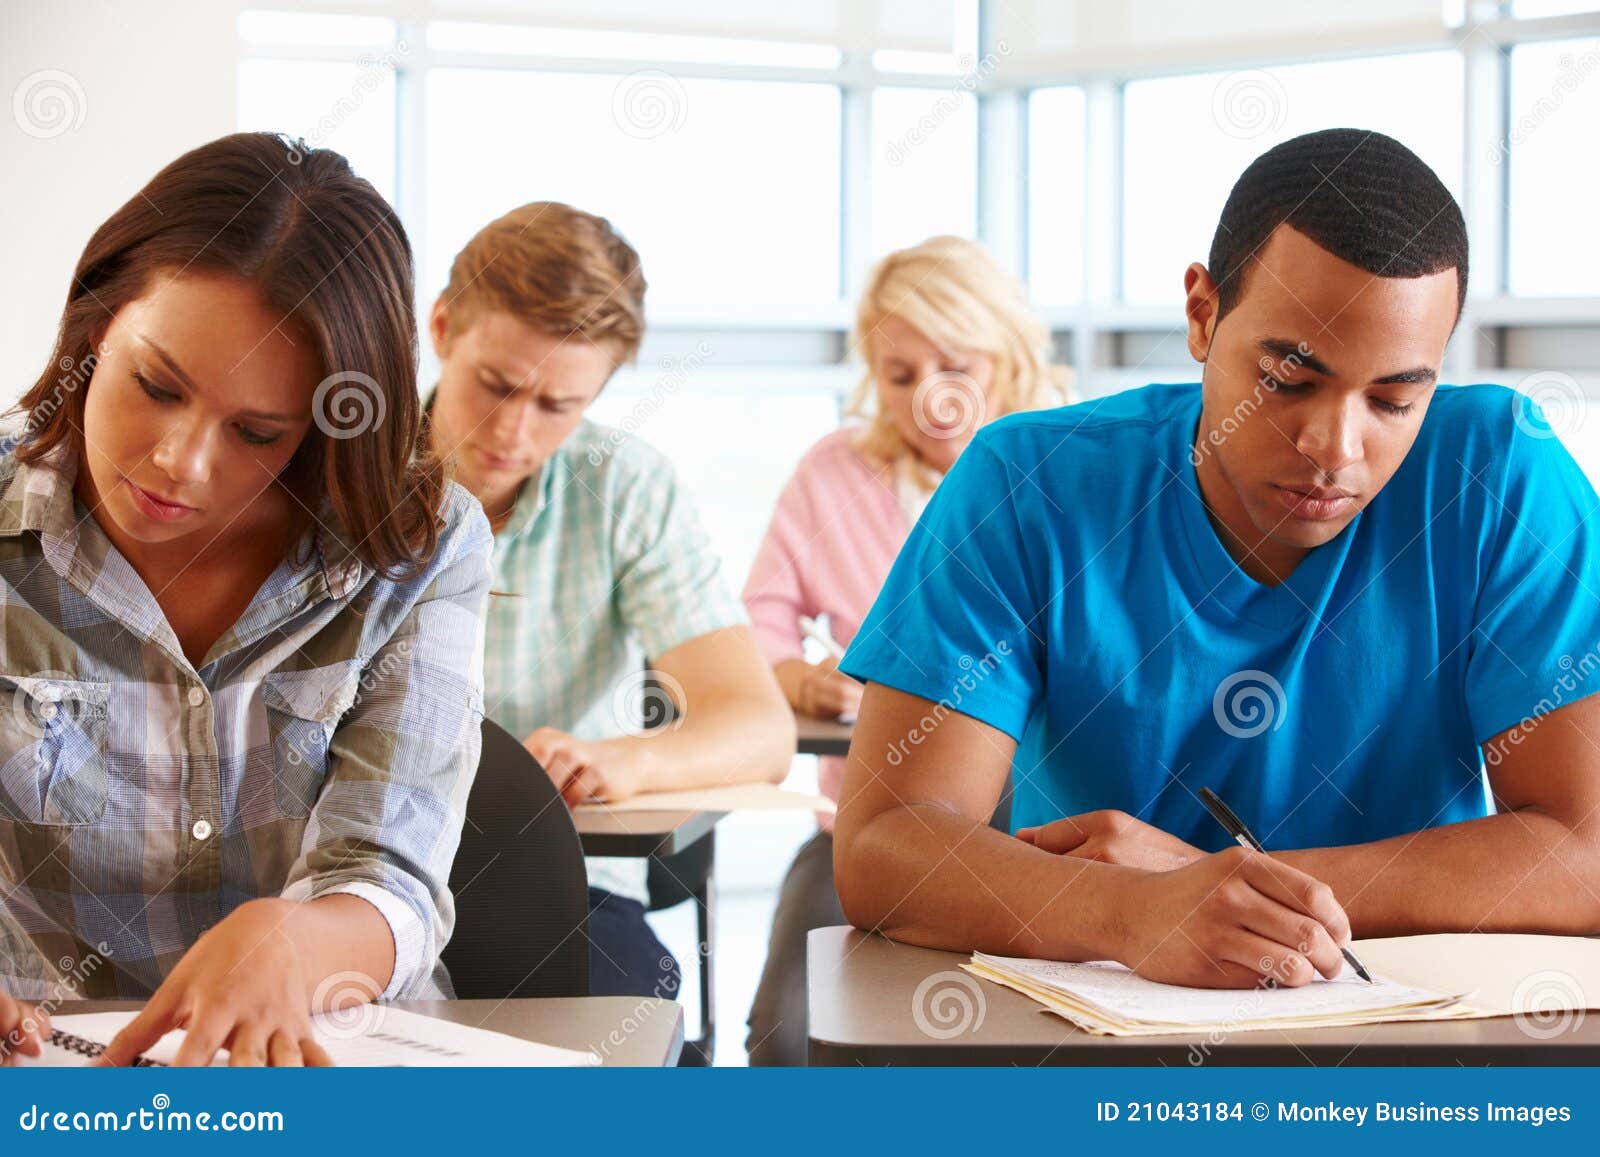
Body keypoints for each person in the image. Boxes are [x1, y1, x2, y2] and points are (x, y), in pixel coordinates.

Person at [834, 128, 1600, 989]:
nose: (1334, 449)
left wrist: (1227, 892)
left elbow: (1589, 849)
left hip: (1406, 1037)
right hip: (1096, 1038)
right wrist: (1128, 914)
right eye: (1289, 378)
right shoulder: (1027, 482)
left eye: (1394, 398)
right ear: (1202, 314)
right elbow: (883, 844)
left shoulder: (1502, 474)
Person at [0, 133, 492, 1067]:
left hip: (338, 1059)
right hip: (53, 1071)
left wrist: (296, 941)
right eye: (155, 384)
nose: (180, 463)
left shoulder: (419, 545)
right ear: (96, 324)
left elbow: (392, 870)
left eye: (259, 431)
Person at [424, 201, 793, 1001]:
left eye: (559, 406)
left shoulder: (626, 487)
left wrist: (625, 758)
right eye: (496, 385)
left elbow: (761, 729)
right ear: (444, 328)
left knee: (630, 1011)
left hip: (561, 885)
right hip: (353, 873)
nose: (514, 432)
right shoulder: (336, 474)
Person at [742, 235, 1065, 1064]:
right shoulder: (834, 474)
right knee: (788, 1023)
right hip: (872, 824)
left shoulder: (1069, 470)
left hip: (1054, 834)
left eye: (955, 364)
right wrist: (799, 680)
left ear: (1008, 354)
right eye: (899, 374)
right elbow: (762, 618)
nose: (929, 397)